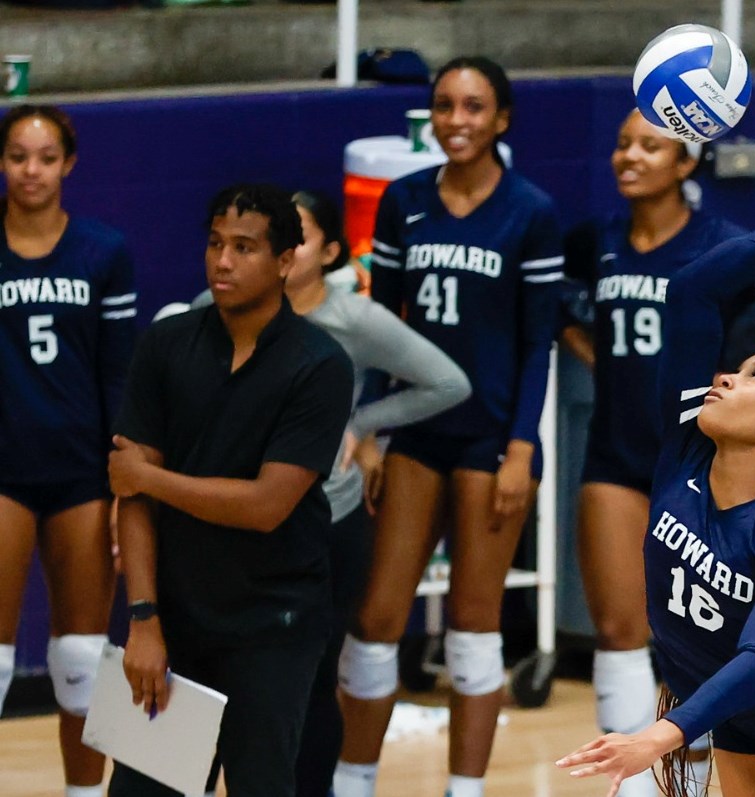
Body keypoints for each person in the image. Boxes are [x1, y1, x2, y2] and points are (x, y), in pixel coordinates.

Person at [557, 171, 755, 797]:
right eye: (735, 369)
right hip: (732, 707)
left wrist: (660, 735)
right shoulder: (684, 444)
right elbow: (691, 290)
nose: (729, 378)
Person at [189, 188, 471, 797]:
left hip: (325, 521)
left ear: (328, 251)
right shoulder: (209, 314)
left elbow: (447, 382)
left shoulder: (351, 321)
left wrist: (360, 423)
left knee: (306, 681)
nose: (233, 259)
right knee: (206, 677)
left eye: (300, 234)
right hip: (226, 526)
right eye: (222, 245)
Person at [334, 55, 564, 797]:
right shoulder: (403, 201)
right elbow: (377, 327)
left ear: (501, 119)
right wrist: (367, 427)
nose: (455, 121)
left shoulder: (531, 210)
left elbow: (539, 343)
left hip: (492, 437)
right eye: (444, 106)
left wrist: (522, 449)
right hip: (418, 433)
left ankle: (464, 789)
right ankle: (353, 781)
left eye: (472, 108)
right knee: (377, 615)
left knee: (473, 620)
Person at [107, 183, 354, 797]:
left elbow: (267, 506)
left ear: (285, 262)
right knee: (143, 792)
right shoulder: (165, 345)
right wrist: (143, 619)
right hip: (175, 621)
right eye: (216, 244)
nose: (222, 261)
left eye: (244, 247)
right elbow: (130, 498)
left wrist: (152, 479)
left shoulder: (320, 365)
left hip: (275, 625)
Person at [0, 103, 135, 797]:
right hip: (4, 471)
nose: (32, 170)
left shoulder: (102, 252)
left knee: (82, 657)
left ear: (69, 163)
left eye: (46, 157)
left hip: (82, 471)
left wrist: (123, 485)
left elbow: (119, 374)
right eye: (19, 155)